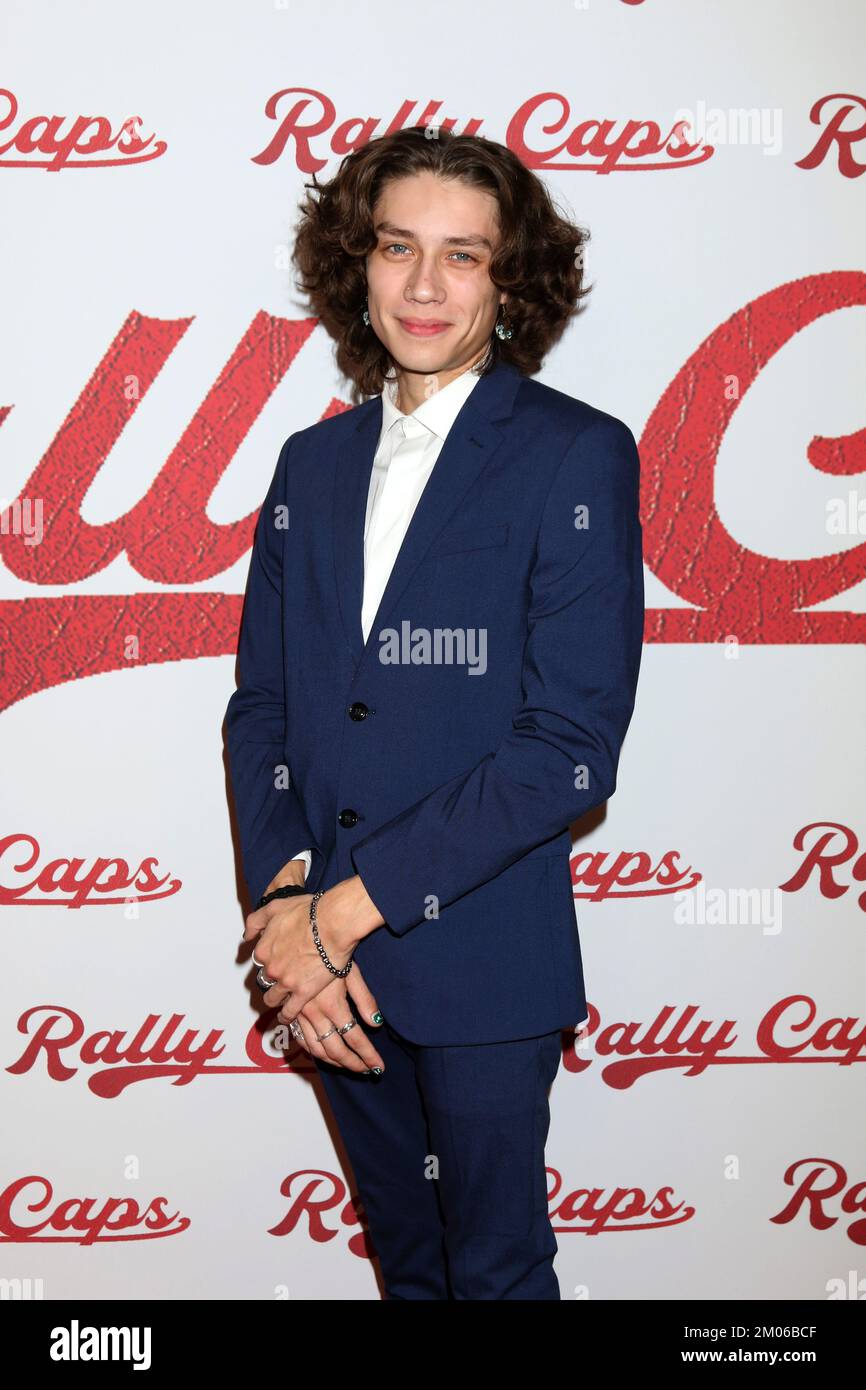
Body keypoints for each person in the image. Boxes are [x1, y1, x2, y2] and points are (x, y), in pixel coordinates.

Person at [223, 125, 645, 1300]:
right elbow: (261, 706)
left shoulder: (574, 456)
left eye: (462, 256)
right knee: (407, 1271)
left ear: (510, 282)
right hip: (324, 969)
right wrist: (286, 909)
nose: (422, 285)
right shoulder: (311, 465)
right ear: (354, 264)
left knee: (495, 1274)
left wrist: (340, 918)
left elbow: (567, 752)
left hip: (477, 965)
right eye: (397, 247)